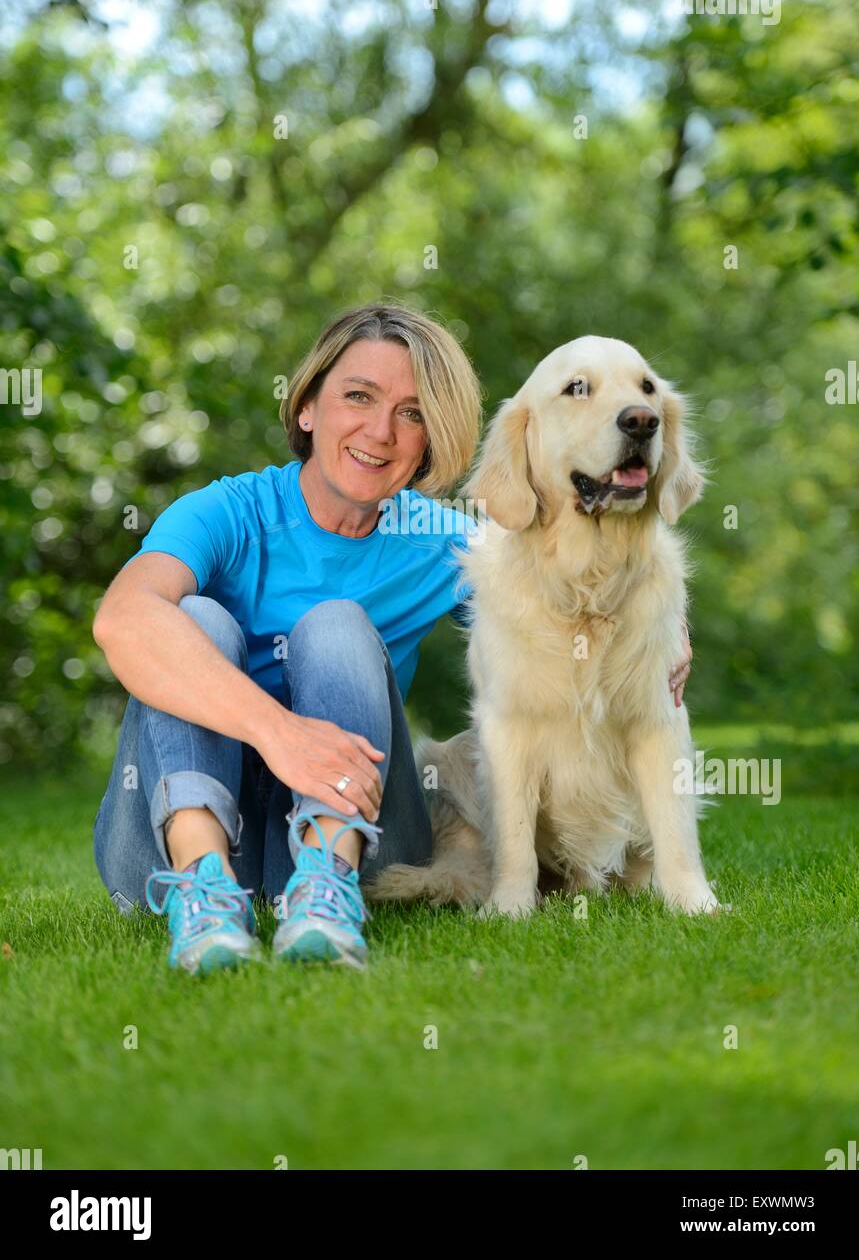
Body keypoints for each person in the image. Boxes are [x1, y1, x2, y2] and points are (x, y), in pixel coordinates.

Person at [92, 302, 693, 974]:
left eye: (411, 413)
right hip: (165, 838)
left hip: (363, 838)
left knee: (336, 624)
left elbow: (563, 589)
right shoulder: (226, 512)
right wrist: (280, 734)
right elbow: (123, 619)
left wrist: (667, 626)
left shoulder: (441, 541)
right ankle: (203, 893)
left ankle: (324, 891)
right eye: (358, 397)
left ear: (430, 437)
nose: (380, 432)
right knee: (193, 619)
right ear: (307, 409)